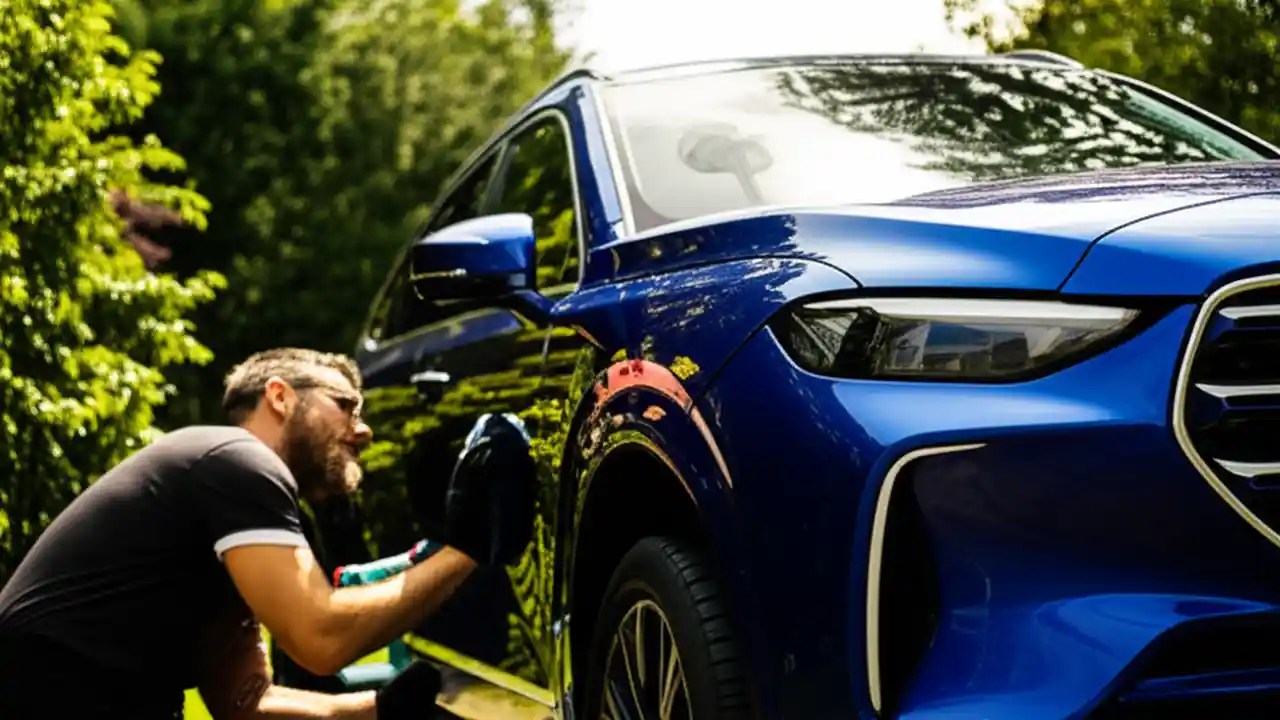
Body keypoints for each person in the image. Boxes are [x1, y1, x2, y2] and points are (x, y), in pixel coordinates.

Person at [0, 348, 525, 718]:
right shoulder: (240, 461)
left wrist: (381, 711)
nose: (363, 430)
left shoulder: (227, 508)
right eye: (346, 406)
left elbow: (244, 704)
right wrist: (467, 550)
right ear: (280, 396)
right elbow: (320, 638)